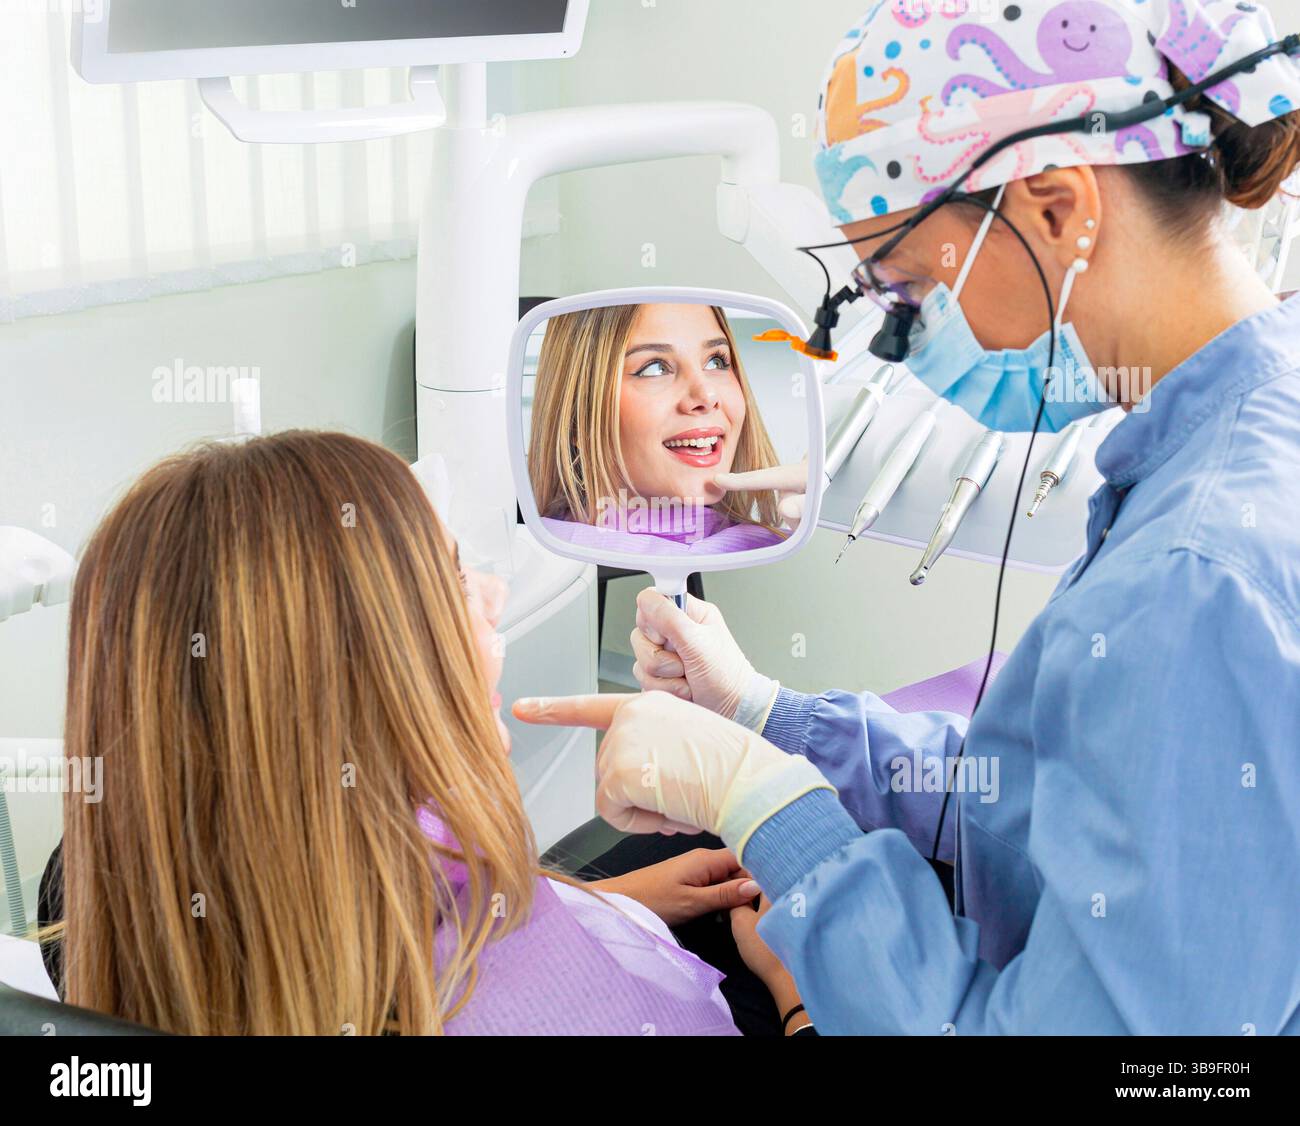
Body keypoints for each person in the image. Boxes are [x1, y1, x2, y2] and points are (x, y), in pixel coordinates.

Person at [515, 0, 1300, 1034]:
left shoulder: (1196, 574)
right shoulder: (1229, 438)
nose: (897, 341)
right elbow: (1056, 799)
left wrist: (770, 809)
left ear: (1057, 208)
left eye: (903, 290)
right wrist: (767, 718)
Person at [37, 430, 764, 1035]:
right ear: (371, 677)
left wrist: (605, 907)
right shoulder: (605, 1016)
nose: (494, 594)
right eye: (452, 581)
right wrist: (800, 1003)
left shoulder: (110, 903)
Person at [529, 301, 791, 555]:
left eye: (716, 361)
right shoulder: (535, 561)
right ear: (578, 418)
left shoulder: (780, 547)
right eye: (654, 368)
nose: (707, 396)